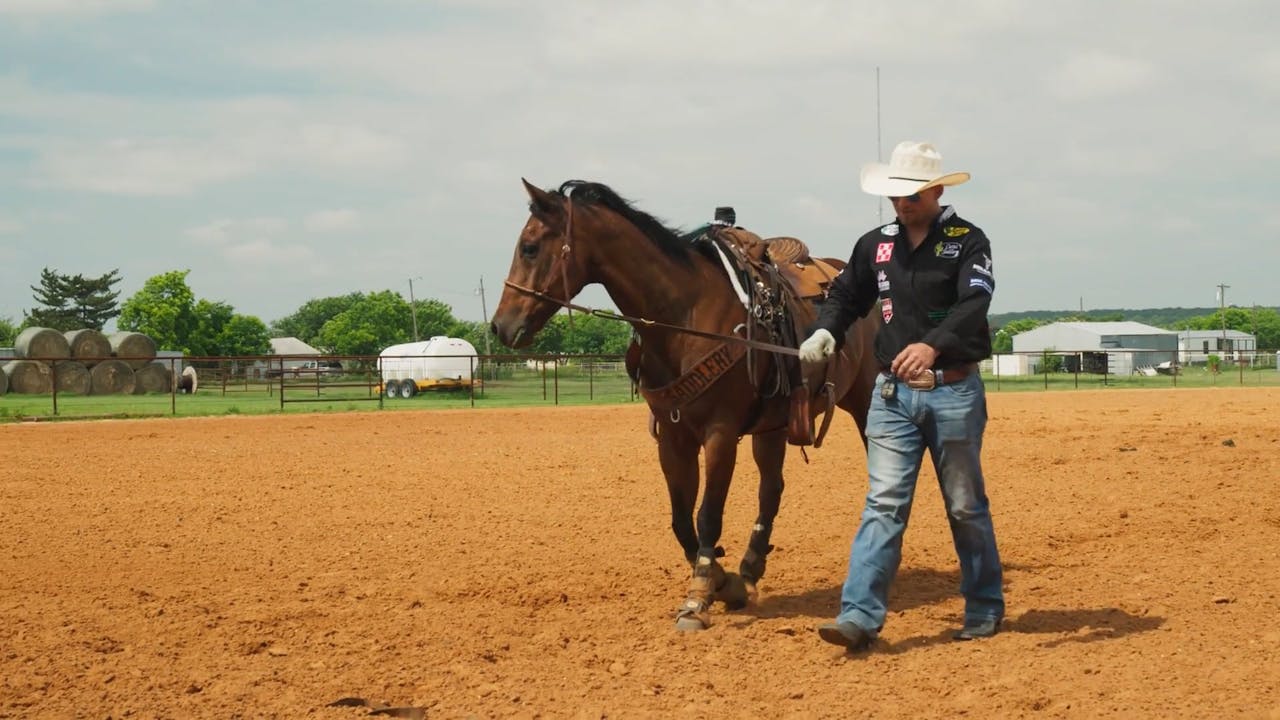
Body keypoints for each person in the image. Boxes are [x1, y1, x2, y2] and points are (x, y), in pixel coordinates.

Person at [799, 140, 1004, 652]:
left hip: (952, 392)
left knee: (964, 506)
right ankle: (859, 616)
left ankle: (983, 606)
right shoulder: (875, 245)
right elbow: (847, 295)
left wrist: (932, 346)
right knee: (884, 503)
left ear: (937, 192)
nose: (901, 203)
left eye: (911, 195)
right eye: (894, 194)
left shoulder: (968, 241)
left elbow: (974, 302)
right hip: (891, 396)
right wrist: (826, 330)